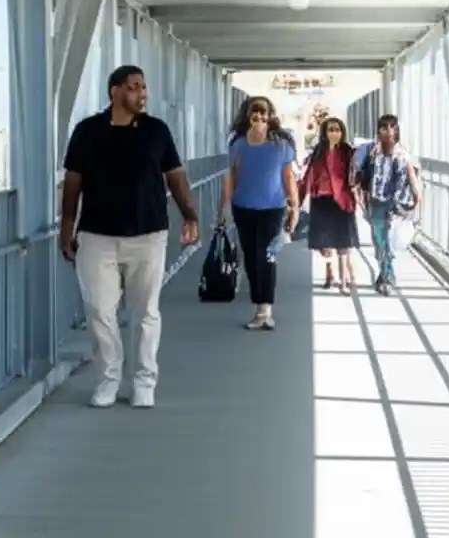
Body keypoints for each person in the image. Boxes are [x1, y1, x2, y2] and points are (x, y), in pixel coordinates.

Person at [60, 65, 200, 409]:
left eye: (144, 86)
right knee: (99, 311)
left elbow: (176, 176)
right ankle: (108, 379)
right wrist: (67, 226)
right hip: (96, 236)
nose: (142, 93)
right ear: (115, 91)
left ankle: (143, 381)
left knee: (146, 312)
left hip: (148, 235)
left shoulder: (156, 131)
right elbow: (73, 182)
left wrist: (190, 215)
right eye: (134, 87)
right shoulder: (87, 131)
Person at [219, 96, 299, 330]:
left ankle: (265, 309)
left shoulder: (281, 146)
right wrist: (222, 208)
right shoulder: (239, 144)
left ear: (270, 116)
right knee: (251, 259)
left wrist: (294, 206)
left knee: (266, 257)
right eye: (255, 112)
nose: (259, 117)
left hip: (273, 209)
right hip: (243, 207)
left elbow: (288, 177)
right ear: (247, 115)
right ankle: (259, 306)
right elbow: (231, 177)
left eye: (263, 112)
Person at [353, 114, 421, 295]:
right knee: (379, 243)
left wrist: (415, 200)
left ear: (397, 130)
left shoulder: (403, 155)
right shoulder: (372, 152)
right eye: (384, 126)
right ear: (378, 130)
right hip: (376, 202)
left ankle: (386, 277)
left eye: (392, 126)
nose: (388, 130)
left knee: (388, 242)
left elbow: (412, 179)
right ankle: (384, 273)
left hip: (394, 204)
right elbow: (359, 173)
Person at [298, 117, 360, 294]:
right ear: (325, 132)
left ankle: (344, 282)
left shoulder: (348, 151)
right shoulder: (318, 152)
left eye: (338, 129)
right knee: (323, 241)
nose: (335, 133)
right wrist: (300, 198)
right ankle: (329, 273)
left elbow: (355, 174)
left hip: (342, 199)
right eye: (331, 129)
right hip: (322, 199)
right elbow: (309, 175)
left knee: (343, 241)